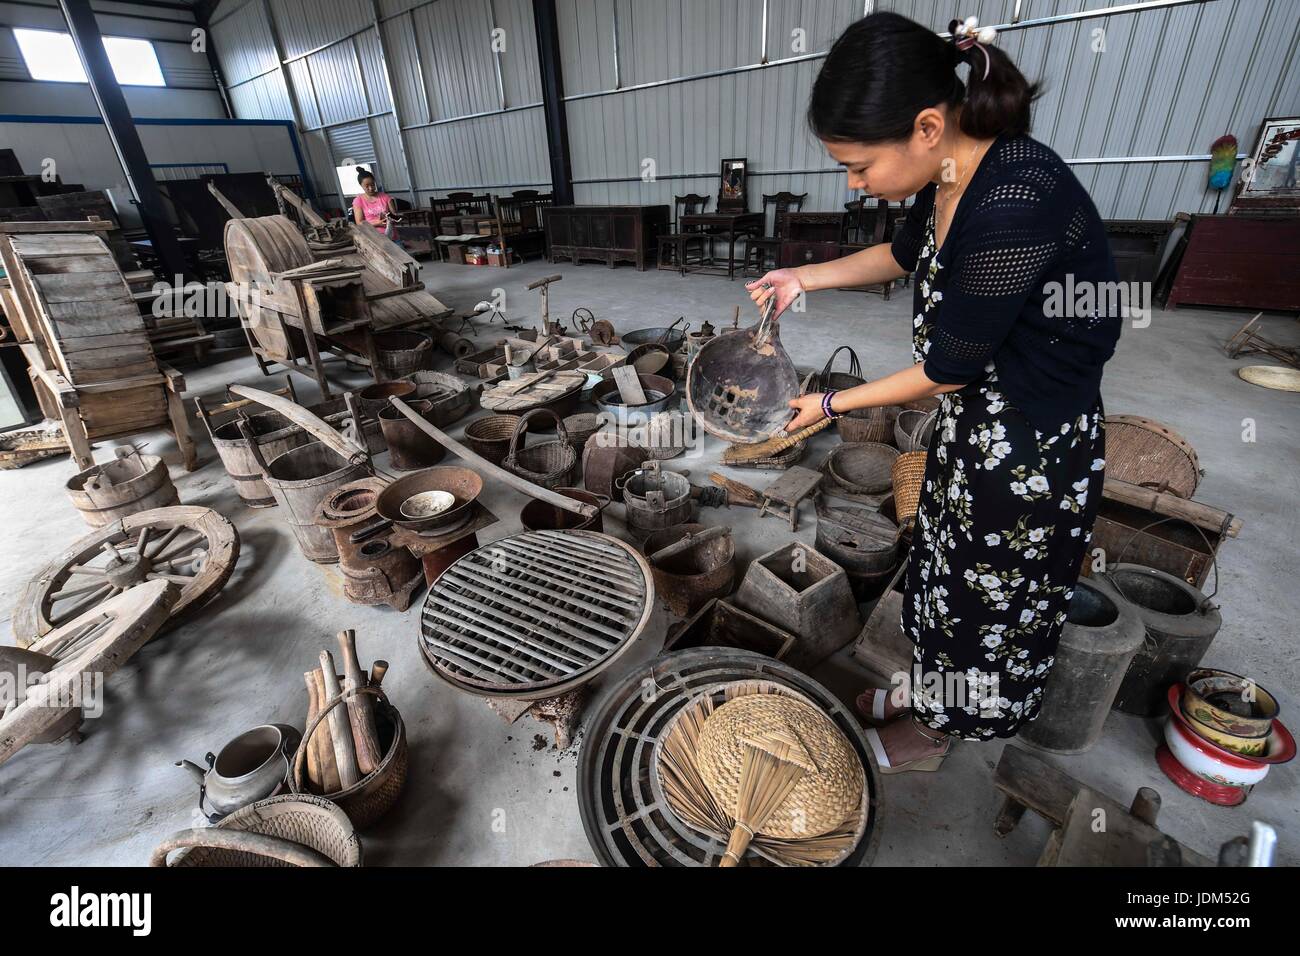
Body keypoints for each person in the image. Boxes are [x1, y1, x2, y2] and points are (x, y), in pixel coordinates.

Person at [748, 12, 1122, 773]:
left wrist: (825, 406)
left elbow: (948, 367)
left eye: (859, 165)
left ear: (925, 127)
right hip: (978, 423)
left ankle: (935, 734)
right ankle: (926, 693)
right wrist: (802, 275)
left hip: (1030, 446)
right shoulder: (953, 172)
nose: (854, 183)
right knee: (945, 577)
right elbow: (901, 250)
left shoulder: (1016, 199)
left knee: (988, 604)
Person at [351, 167, 398, 239]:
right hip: (373, 239)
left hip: (391, 236)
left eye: (372, 185)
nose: (371, 188)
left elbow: (394, 215)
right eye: (367, 186)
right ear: (361, 185)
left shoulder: (386, 197)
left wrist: (392, 219)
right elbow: (359, 223)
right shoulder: (358, 201)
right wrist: (377, 223)